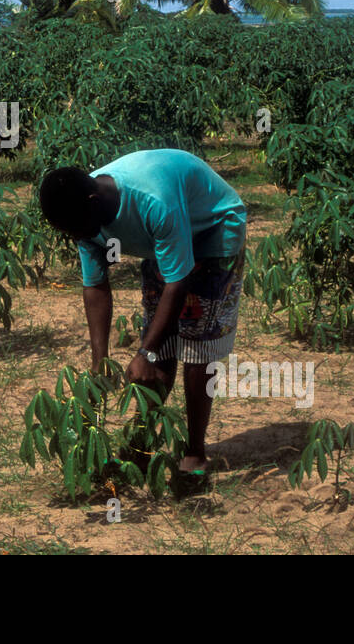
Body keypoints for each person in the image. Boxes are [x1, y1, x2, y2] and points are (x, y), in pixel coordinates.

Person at [38, 148, 247, 482]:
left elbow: (177, 284)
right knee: (159, 348)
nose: (77, 237)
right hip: (164, 240)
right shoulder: (81, 214)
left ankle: (194, 452)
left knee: (197, 348)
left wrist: (143, 351)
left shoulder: (152, 201)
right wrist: (99, 362)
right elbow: (96, 287)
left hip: (213, 229)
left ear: (94, 201)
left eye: (77, 228)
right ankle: (141, 447)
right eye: (70, 232)